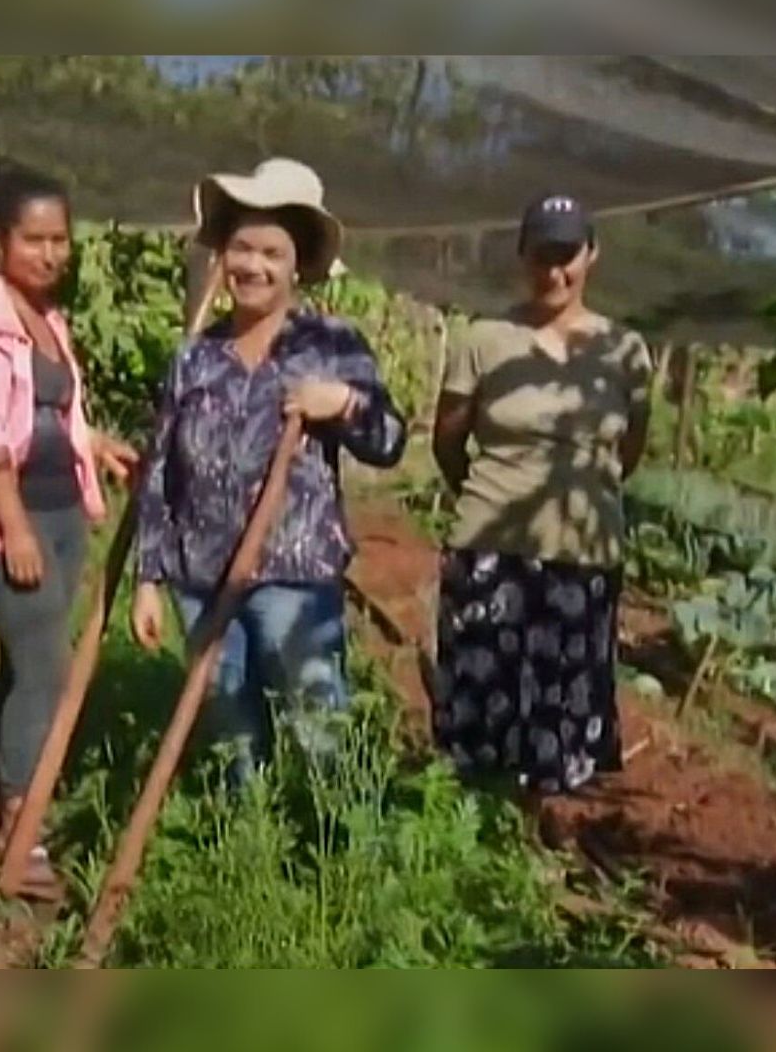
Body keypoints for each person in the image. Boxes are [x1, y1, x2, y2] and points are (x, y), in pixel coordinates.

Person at [131, 158, 407, 779]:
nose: (252, 266)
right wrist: (148, 578)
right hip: (200, 578)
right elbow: (159, 473)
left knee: (317, 728)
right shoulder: (195, 358)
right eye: (241, 248)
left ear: (298, 264)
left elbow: (389, 440)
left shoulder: (331, 344)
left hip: (293, 574)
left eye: (271, 254)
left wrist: (343, 404)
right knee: (230, 730)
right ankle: (243, 848)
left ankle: (331, 845)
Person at [0, 158, 138, 897]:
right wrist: (11, 527)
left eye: (60, 240)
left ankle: (5, 779)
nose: (50, 253)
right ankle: (23, 821)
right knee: (47, 663)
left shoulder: (47, 318)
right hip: (6, 518)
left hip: (63, 512)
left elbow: (49, 415)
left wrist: (96, 444)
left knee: (27, 663)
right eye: (34, 239)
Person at [429, 193, 654, 793]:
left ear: (591, 256)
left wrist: (582, 496)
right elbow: (448, 440)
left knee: (563, 712)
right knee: (482, 714)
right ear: (522, 257)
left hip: (583, 552)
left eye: (567, 256)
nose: (554, 272)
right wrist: (489, 495)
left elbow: (626, 449)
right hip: (490, 546)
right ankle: (477, 835)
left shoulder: (624, 350)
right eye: (541, 256)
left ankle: (539, 838)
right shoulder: (486, 338)